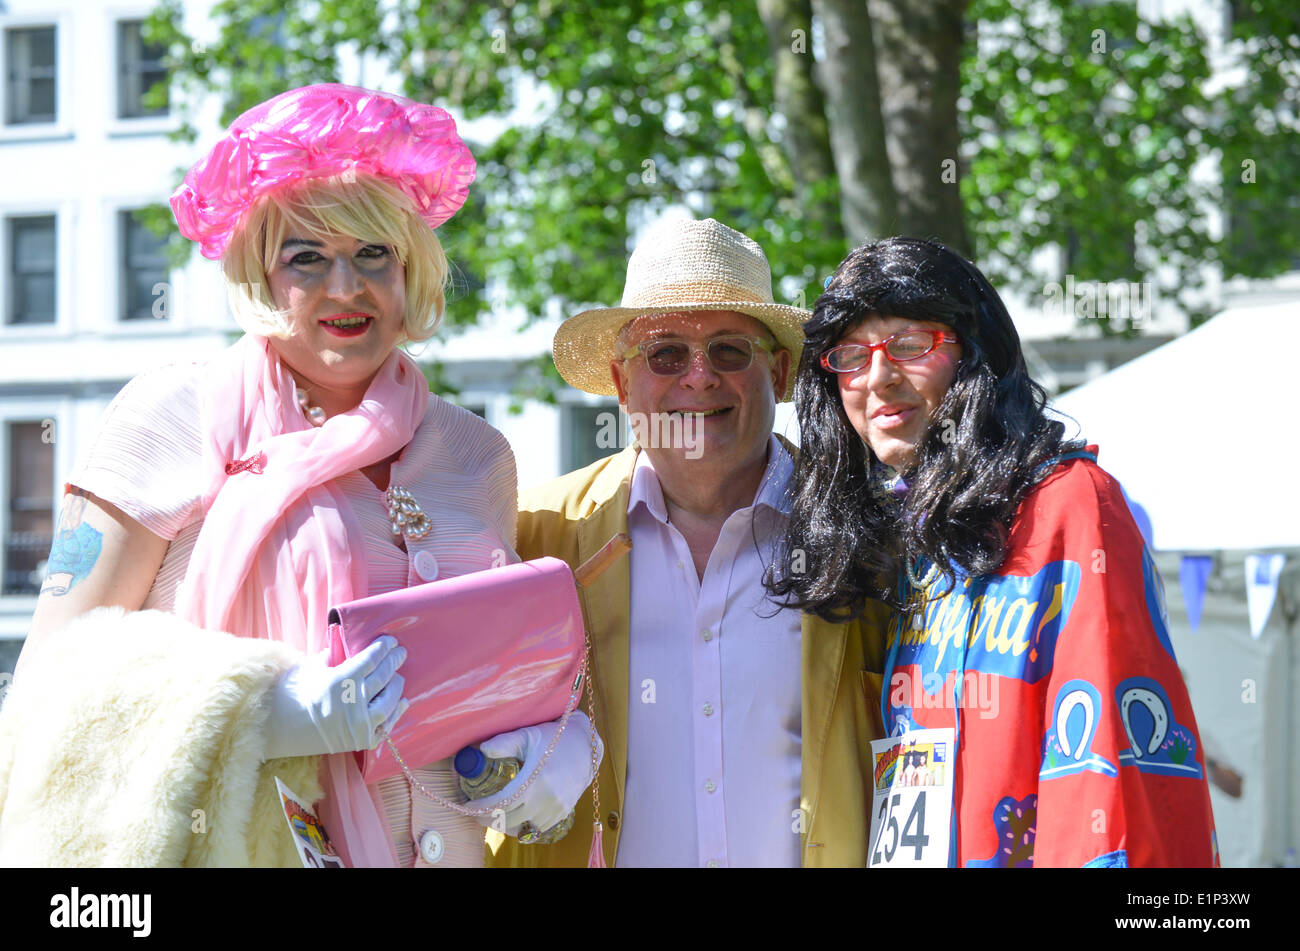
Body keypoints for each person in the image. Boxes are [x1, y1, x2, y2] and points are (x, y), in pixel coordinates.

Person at [0, 84, 595, 868]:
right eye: (305, 258)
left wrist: (553, 742)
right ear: (259, 271)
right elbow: (49, 690)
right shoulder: (169, 414)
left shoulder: (478, 454)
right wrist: (267, 711)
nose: (344, 288)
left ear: (410, 266)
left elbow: (493, 678)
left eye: (372, 254)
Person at [770, 237, 1218, 867]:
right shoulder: (898, 537)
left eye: (910, 344)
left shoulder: (1071, 503)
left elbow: (1108, 770)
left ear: (974, 354)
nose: (877, 377)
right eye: (850, 355)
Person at [489, 217, 889, 868]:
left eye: (730, 350)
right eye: (665, 353)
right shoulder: (535, 537)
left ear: (781, 373)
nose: (699, 377)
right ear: (622, 385)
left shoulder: (865, 532)